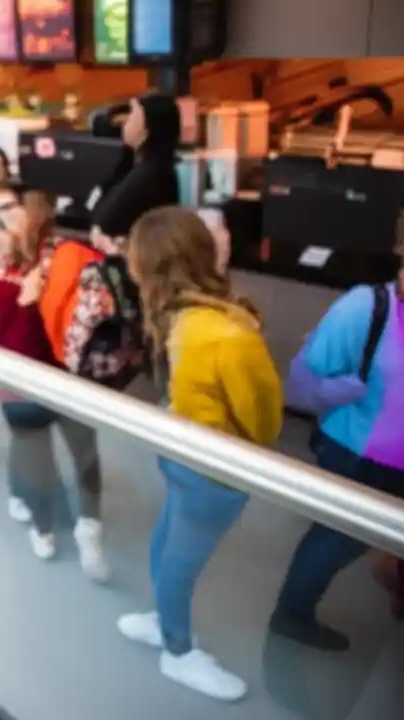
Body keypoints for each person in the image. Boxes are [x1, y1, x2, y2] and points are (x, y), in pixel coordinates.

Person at [117, 207, 282, 702]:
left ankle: (171, 635)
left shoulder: (204, 328)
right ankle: (174, 642)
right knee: (174, 555)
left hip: (199, 469)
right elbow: (255, 417)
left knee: (174, 553)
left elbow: (258, 418)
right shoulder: (201, 322)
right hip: (199, 469)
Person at [272, 244, 404, 650]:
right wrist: (343, 389)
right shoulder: (365, 308)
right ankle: (292, 614)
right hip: (356, 452)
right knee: (336, 538)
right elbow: (301, 384)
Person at [0, 186, 106, 575]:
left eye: (10, 209)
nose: (4, 221)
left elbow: (85, 320)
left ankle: (90, 526)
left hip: (69, 381)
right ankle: (44, 524)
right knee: (35, 461)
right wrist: (24, 300)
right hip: (21, 387)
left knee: (85, 455)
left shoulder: (62, 254)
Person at [90, 94, 181, 250]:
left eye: (132, 116)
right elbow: (103, 125)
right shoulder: (140, 164)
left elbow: (104, 221)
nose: (126, 122)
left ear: (146, 130)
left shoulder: (152, 174)